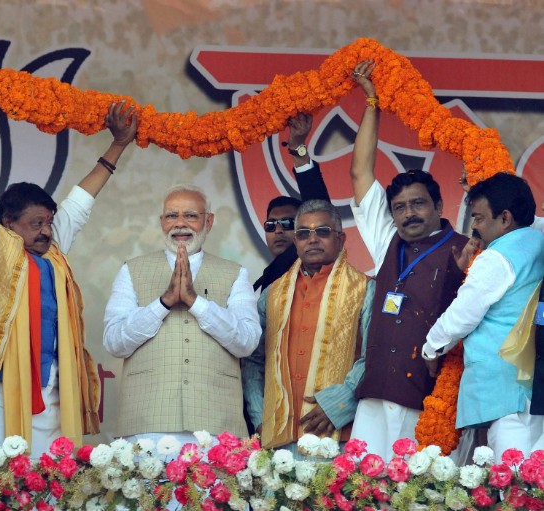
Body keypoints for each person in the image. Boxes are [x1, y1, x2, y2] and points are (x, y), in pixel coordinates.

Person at [0, 100, 137, 456]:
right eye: (35, 223)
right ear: (8, 223)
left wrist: (118, 144)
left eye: (48, 222)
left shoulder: (52, 252)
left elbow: (81, 201)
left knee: (51, 477)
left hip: (50, 383)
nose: (45, 231)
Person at [346, 61, 472, 460]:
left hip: (428, 400)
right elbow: (359, 172)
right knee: (362, 491)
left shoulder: (469, 249)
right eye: (398, 207)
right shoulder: (388, 242)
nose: (407, 214)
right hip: (375, 391)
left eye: (418, 204)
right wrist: (371, 103)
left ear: (439, 205)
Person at [103, 184, 260, 444]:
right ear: (161, 222)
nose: (180, 224)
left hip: (216, 422)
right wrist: (163, 304)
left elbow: (247, 341)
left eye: (190, 215)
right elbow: (114, 341)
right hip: (147, 419)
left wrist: (195, 302)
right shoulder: (131, 270)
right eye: (171, 216)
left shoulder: (235, 272)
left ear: (208, 222)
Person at [423, 172, 544, 458]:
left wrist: (430, 349)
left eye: (477, 217)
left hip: (504, 391)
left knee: (513, 484)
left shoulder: (495, 257)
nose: (474, 227)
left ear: (504, 218)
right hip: (533, 387)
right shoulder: (538, 243)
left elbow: (463, 314)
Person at [256, 200, 372, 450]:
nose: (313, 239)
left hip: (339, 434)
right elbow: (253, 360)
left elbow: (375, 355)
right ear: (296, 242)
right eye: (303, 234)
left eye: (322, 232)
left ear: (340, 239)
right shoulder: (273, 294)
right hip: (279, 436)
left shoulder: (364, 288)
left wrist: (338, 405)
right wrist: (258, 415)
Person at [243, 113, 332, 434]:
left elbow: (317, 203)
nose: (279, 231)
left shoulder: (312, 265)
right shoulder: (259, 283)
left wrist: (298, 149)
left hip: (318, 416)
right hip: (266, 414)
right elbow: (253, 359)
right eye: (271, 225)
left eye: (288, 224)